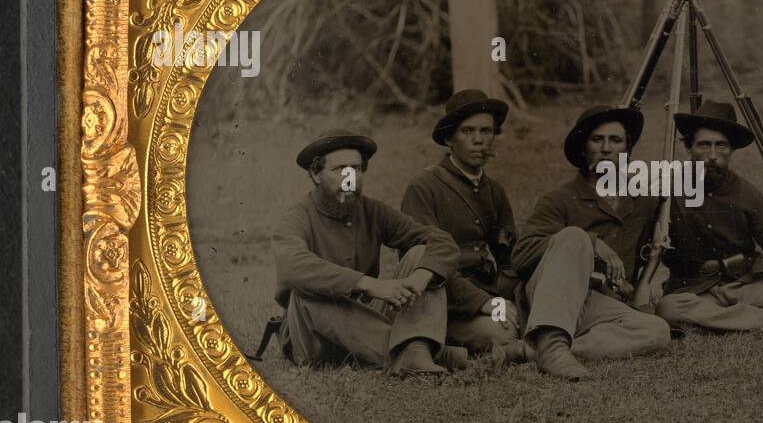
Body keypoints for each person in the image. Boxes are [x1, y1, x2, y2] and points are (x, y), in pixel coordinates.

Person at [272, 129, 466, 375]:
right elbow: (292, 267)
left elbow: (441, 241)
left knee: (420, 254)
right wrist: (368, 284)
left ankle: (414, 351)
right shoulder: (297, 217)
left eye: (356, 169)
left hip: (366, 321)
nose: (349, 179)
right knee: (307, 290)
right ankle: (422, 351)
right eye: (339, 170)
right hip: (314, 337)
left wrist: (421, 277)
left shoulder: (373, 211)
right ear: (316, 174)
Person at [511, 104, 672, 379]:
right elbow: (521, 256)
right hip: (556, 298)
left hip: (602, 304)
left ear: (627, 151)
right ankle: (551, 342)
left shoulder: (644, 201)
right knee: (574, 236)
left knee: (656, 330)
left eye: (616, 140)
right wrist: (590, 242)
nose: (606, 148)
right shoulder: (558, 199)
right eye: (597, 140)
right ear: (584, 149)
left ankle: (536, 352)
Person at [655, 99, 763, 331]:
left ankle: (733, 320)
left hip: (747, 284)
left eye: (721, 146)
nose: (712, 154)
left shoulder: (748, 194)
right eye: (704, 145)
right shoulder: (667, 191)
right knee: (668, 309)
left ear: (732, 150)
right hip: (696, 290)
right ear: (689, 148)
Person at [401, 90, 525, 361]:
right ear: (449, 139)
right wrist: (484, 303)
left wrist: (516, 296)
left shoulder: (494, 191)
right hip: (442, 297)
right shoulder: (424, 186)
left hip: (486, 289)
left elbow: (508, 258)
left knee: (526, 319)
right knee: (501, 333)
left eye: (486, 131)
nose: (479, 140)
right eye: (468, 131)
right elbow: (423, 262)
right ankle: (435, 342)